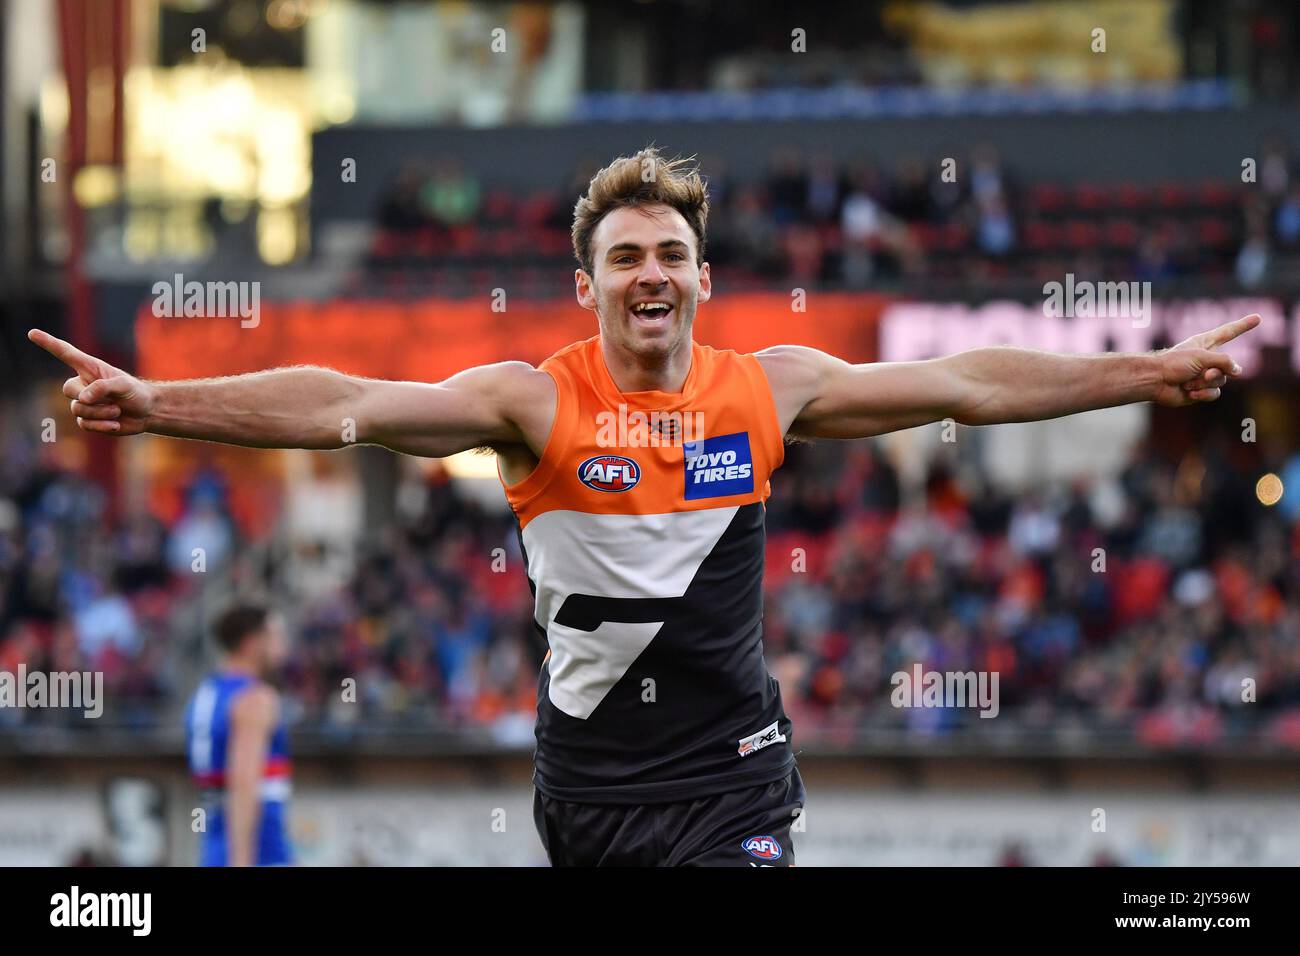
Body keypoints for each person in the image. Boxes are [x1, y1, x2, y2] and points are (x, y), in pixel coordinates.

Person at [29, 146, 1258, 867]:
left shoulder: (769, 389)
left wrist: (1139, 370)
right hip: (588, 794)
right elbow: (346, 399)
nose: (651, 272)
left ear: (704, 277)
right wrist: (163, 402)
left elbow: (968, 383)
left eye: (669, 252)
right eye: (625, 256)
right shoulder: (530, 401)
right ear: (589, 285)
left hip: (734, 779)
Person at [184, 601, 293, 866]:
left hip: (213, 847)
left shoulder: (205, 694)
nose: (283, 648)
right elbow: (244, 785)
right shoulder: (254, 699)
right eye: (275, 637)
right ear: (251, 643)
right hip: (258, 850)